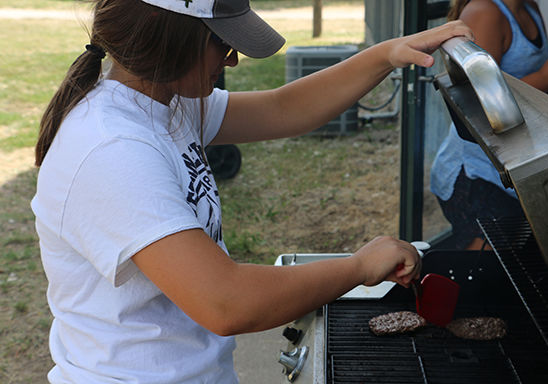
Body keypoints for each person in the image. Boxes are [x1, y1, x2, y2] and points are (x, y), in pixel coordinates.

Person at [31, 0, 471, 382]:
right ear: (170, 37)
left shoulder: (168, 104)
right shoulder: (112, 149)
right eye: (222, 43)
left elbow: (285, 109)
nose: (233, 60)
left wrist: (388, 55)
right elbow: (226, 302)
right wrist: (358, 267)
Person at [430, 0, 548, 250]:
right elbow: (474, 109)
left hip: (514, 168)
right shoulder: (485, 13)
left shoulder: (531, 9)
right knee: (484, 274)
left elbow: (538, 96)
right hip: (477, 176)